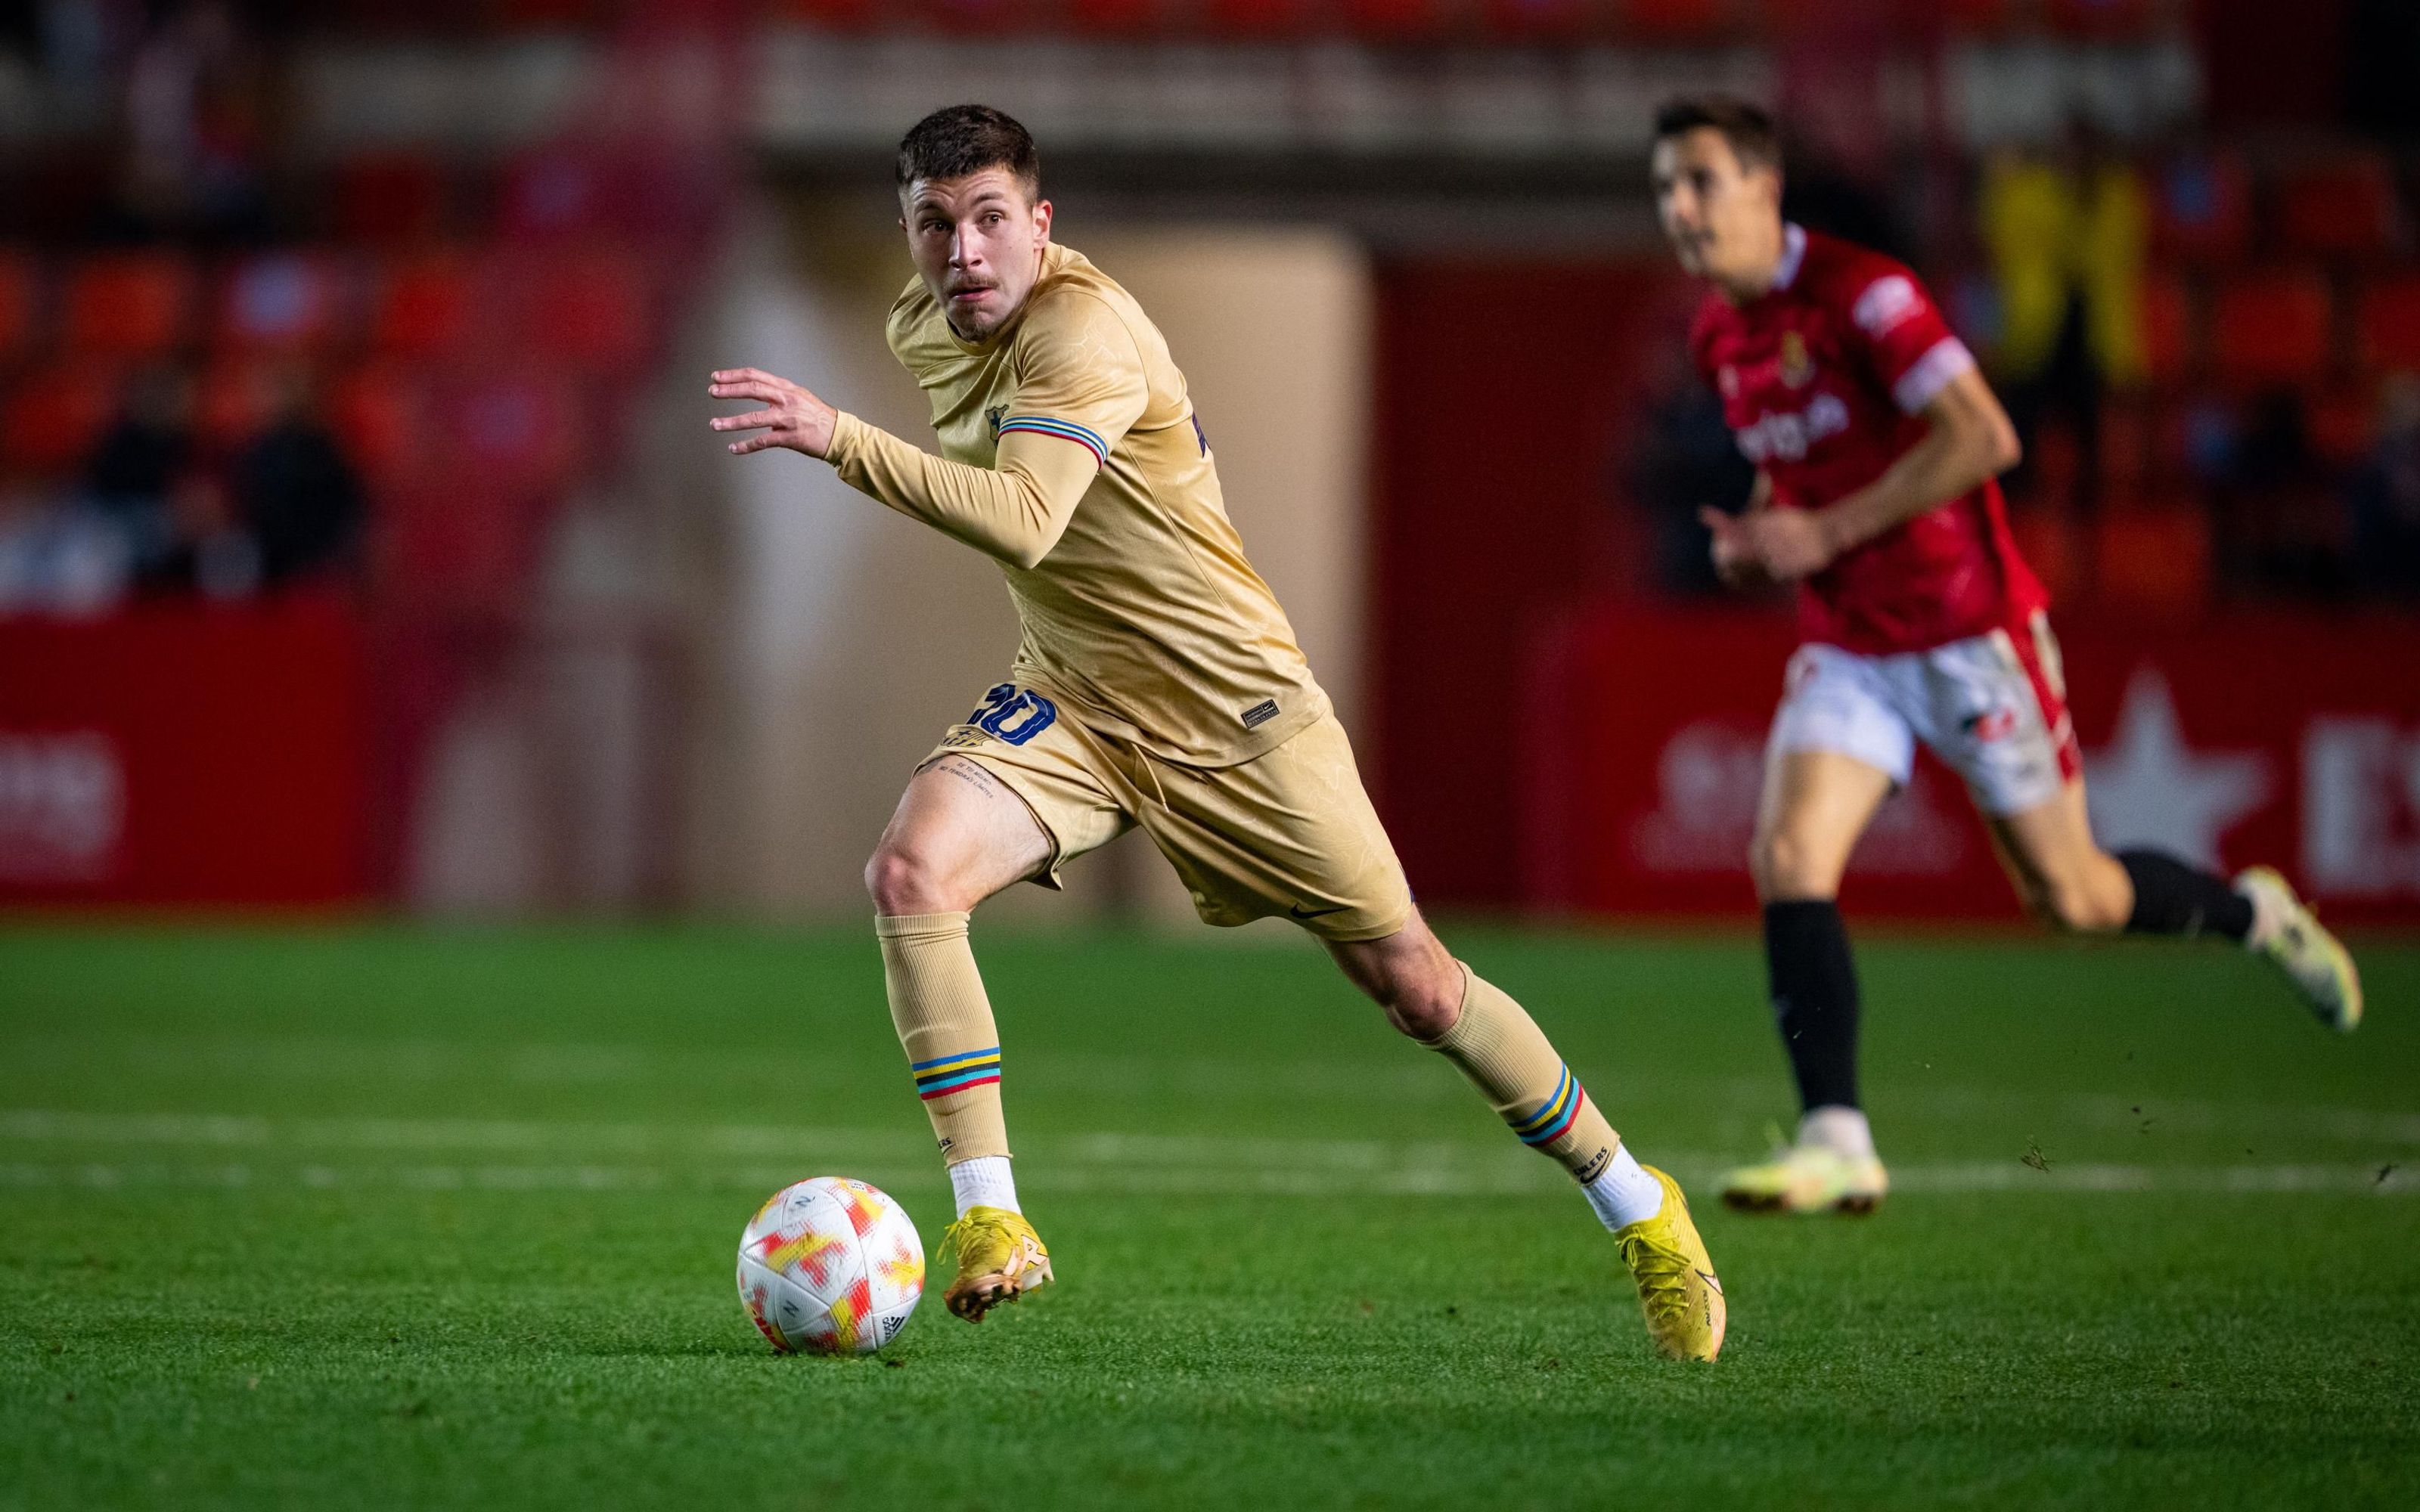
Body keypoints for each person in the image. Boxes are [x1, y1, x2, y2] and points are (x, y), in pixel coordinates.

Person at [710, 104, 1723, 1361]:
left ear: (1039, 223)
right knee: (912, 873)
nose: (963, 252)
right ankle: (993, 1219)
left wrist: (841, 441)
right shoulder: (922, 324)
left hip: (1237, 713)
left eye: (988, 220)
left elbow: (1027, 519)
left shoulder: (1083, 332)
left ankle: (1640, 1207)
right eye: (934, 225)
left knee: (1417, 987)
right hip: (1078, 701)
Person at [1650, 96, 2362, 1217]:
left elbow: (1985, 435)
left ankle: (2255, 916)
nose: (1680, 208)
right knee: (1788, 855)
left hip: (1967, 632)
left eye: (1700, 181)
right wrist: (1760, 536)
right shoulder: (1717, 334)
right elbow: (1789, 472)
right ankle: (1838, 1139)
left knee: (2074, 897)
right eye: (1665, 189)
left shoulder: (1865, 294)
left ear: (1764, 186)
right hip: (1851, 642)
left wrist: (1823, 534)